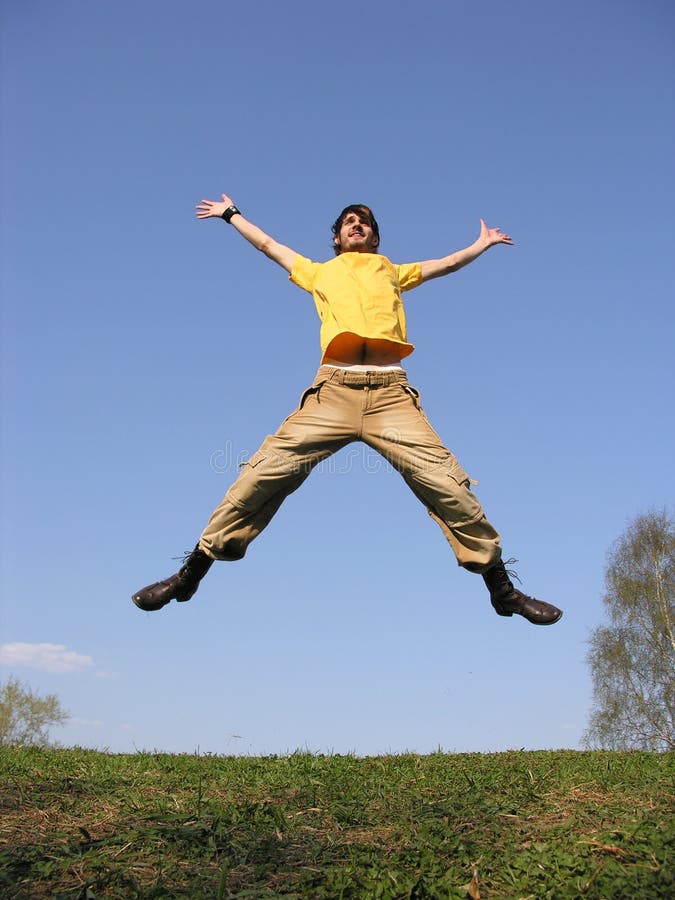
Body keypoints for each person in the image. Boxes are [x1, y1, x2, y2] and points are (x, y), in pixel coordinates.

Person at [132, 195, 562, 626]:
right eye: (349, 222)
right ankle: (191, 573)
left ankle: (501, 591)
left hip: (391, 396)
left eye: (366, 222)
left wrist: (480, 244)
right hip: (332, 393)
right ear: (337, 238)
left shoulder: (391, 270)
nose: (357, 225)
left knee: (448, 483)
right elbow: (268, 245)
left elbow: (445, 264)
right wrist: (231, 215)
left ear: (374, 237)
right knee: (262, 473)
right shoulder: (319, 272)